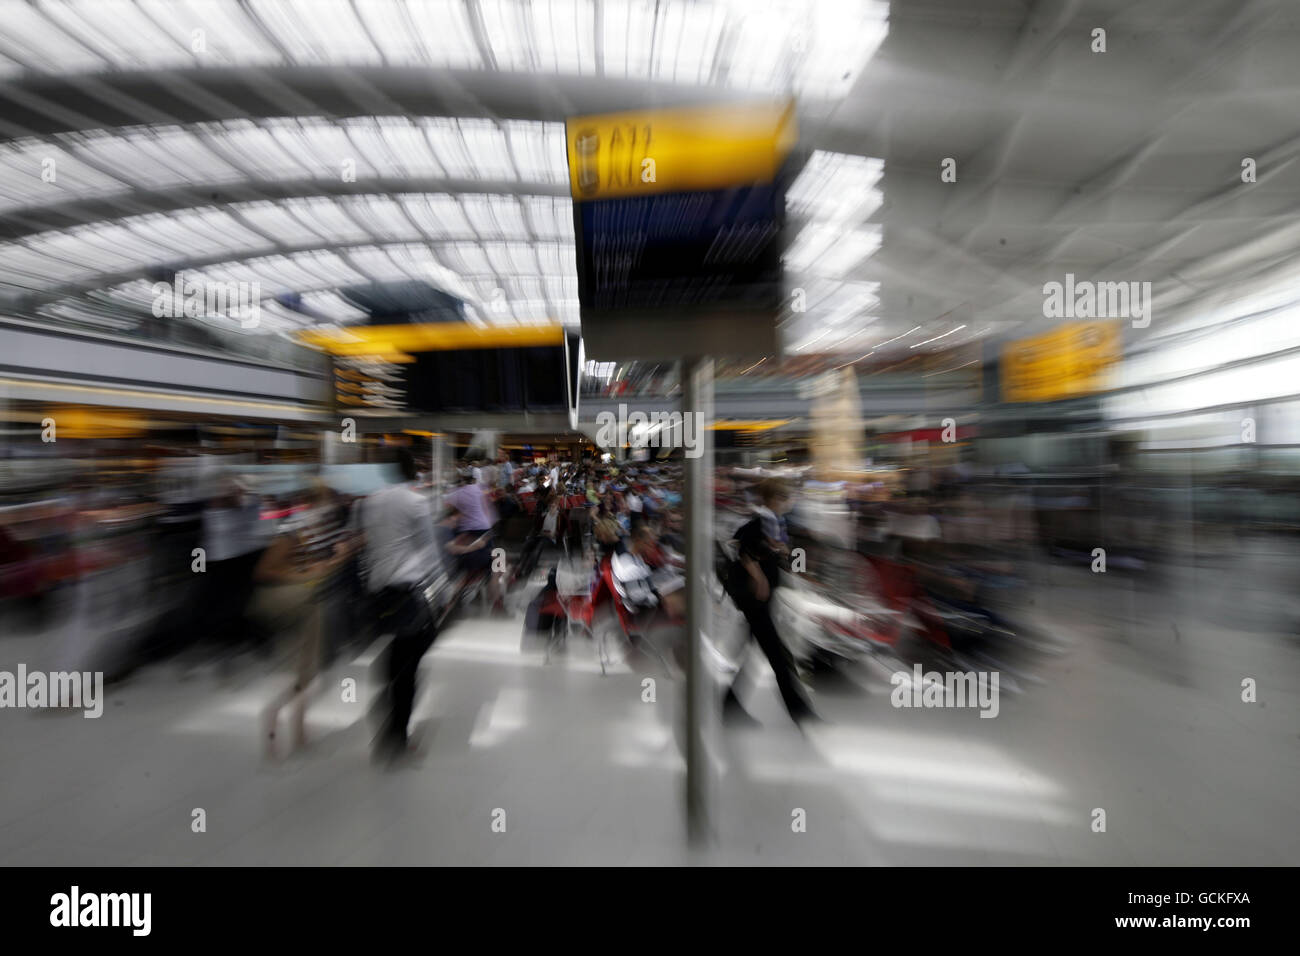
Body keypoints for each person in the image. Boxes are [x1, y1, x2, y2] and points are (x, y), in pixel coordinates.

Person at [252, 480, 355, 759]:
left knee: (307, 675)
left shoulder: (317, 528)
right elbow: (264, 571)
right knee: (295, 675)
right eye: (325, 499)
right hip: (294, 606)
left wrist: (338, 559)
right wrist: (305, 575)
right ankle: (272, 731)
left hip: (311, 604)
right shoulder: (292, 529)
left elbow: (321, 570)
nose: (330, 505)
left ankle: (298, 734)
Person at [356, 448, 442, 762]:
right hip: (407, 593)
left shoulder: (369, 502)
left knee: (395, 655)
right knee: (411, 660)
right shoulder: (416, 502)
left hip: (379, 592)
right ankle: (398, 735)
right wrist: (442, 590)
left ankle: (388, 715)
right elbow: (429, 550)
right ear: (412, 470)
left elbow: (367, 547)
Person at [721, 477, 819, 728]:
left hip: (762, 601)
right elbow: (744, 551)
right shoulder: (760, 523)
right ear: (775, 499)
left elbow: (773, 552)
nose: (790, 501)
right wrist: (760, 578)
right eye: (786, 497)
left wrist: (792, 564)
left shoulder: (774, 524)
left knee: (757, 653)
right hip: (756, 600)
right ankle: (799, 711)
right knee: (778, 656)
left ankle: (729, 703)